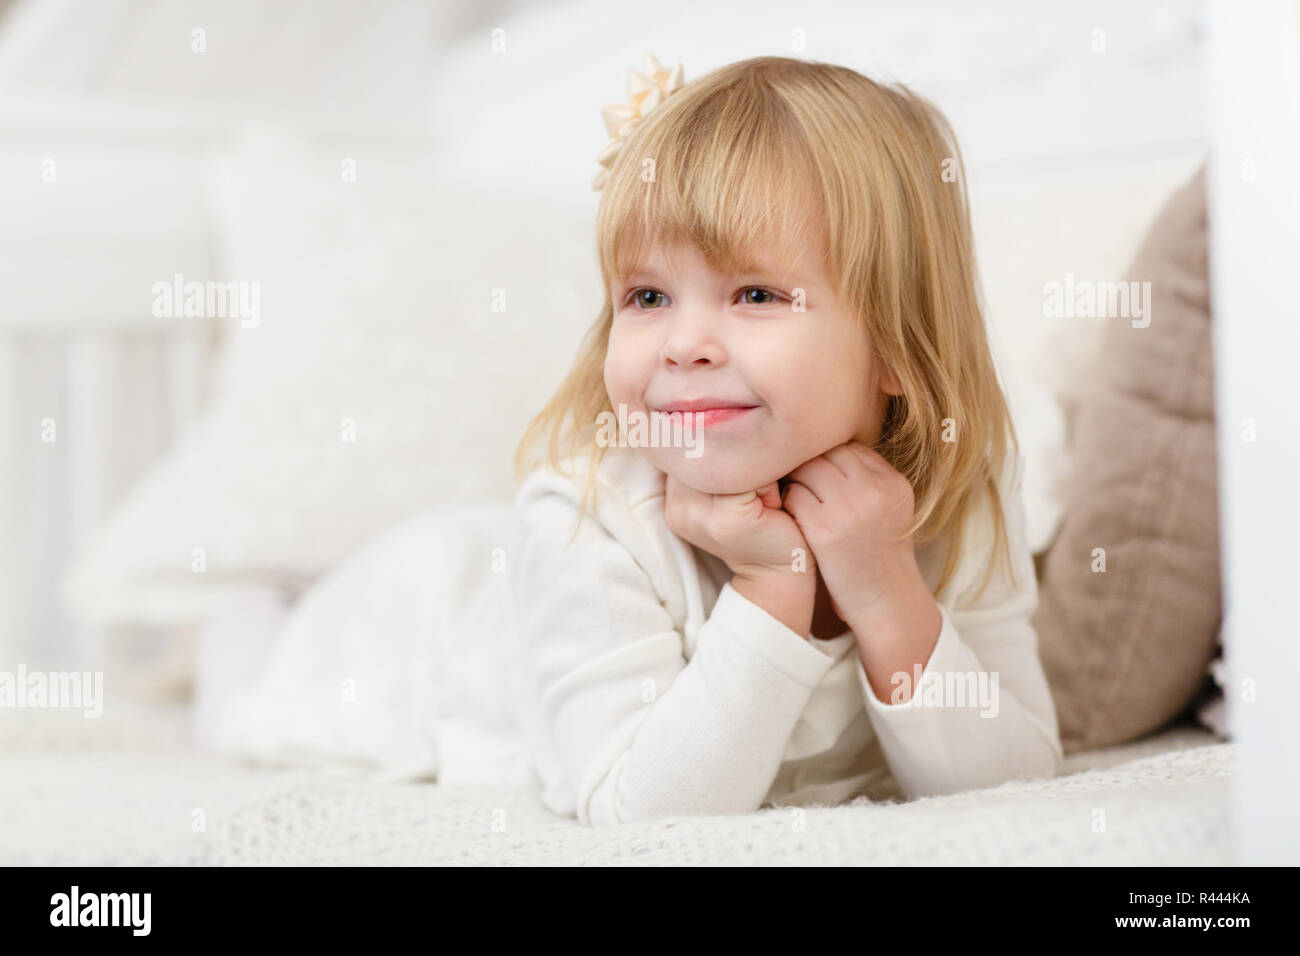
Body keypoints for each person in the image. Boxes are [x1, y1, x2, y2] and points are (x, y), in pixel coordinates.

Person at [507, 54, 1062, 827]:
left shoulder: (964, 485)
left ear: (899, 344)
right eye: (648, 296)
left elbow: (1020, 784)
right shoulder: (586, 516)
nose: (683, 344)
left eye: (756, 293)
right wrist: (771, 587)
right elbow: (643, 819)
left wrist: (886, 590)